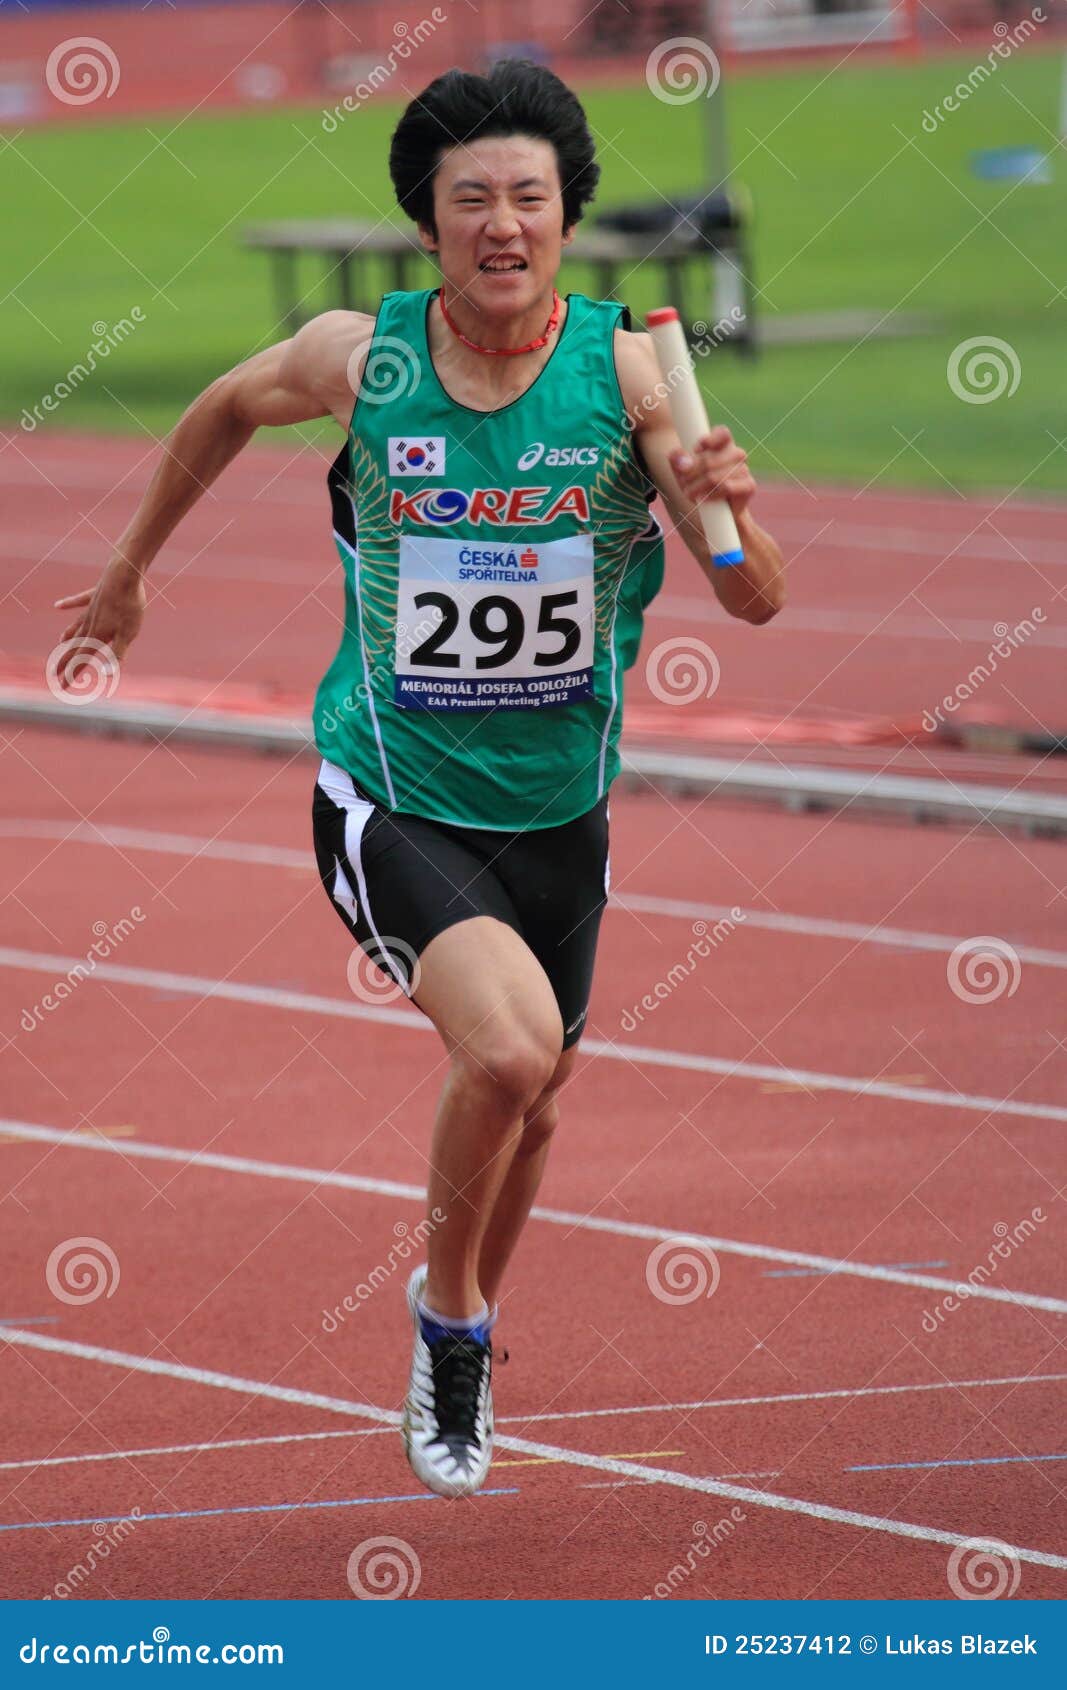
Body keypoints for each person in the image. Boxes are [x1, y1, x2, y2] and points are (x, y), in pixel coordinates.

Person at [52, 59, 784, 1500]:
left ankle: (469, 1305)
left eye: (530, 198)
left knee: (543, 1097)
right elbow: (218, 408)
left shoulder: (632, 371)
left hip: (560, 808)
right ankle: (449, 1320)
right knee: (509, 1054)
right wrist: (129, 569)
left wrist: (731, 508)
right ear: (431, 222)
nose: (503, 225)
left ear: (567, 218)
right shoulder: (362, 358)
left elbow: (752, 598)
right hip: (389, 792)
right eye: (473, 202)